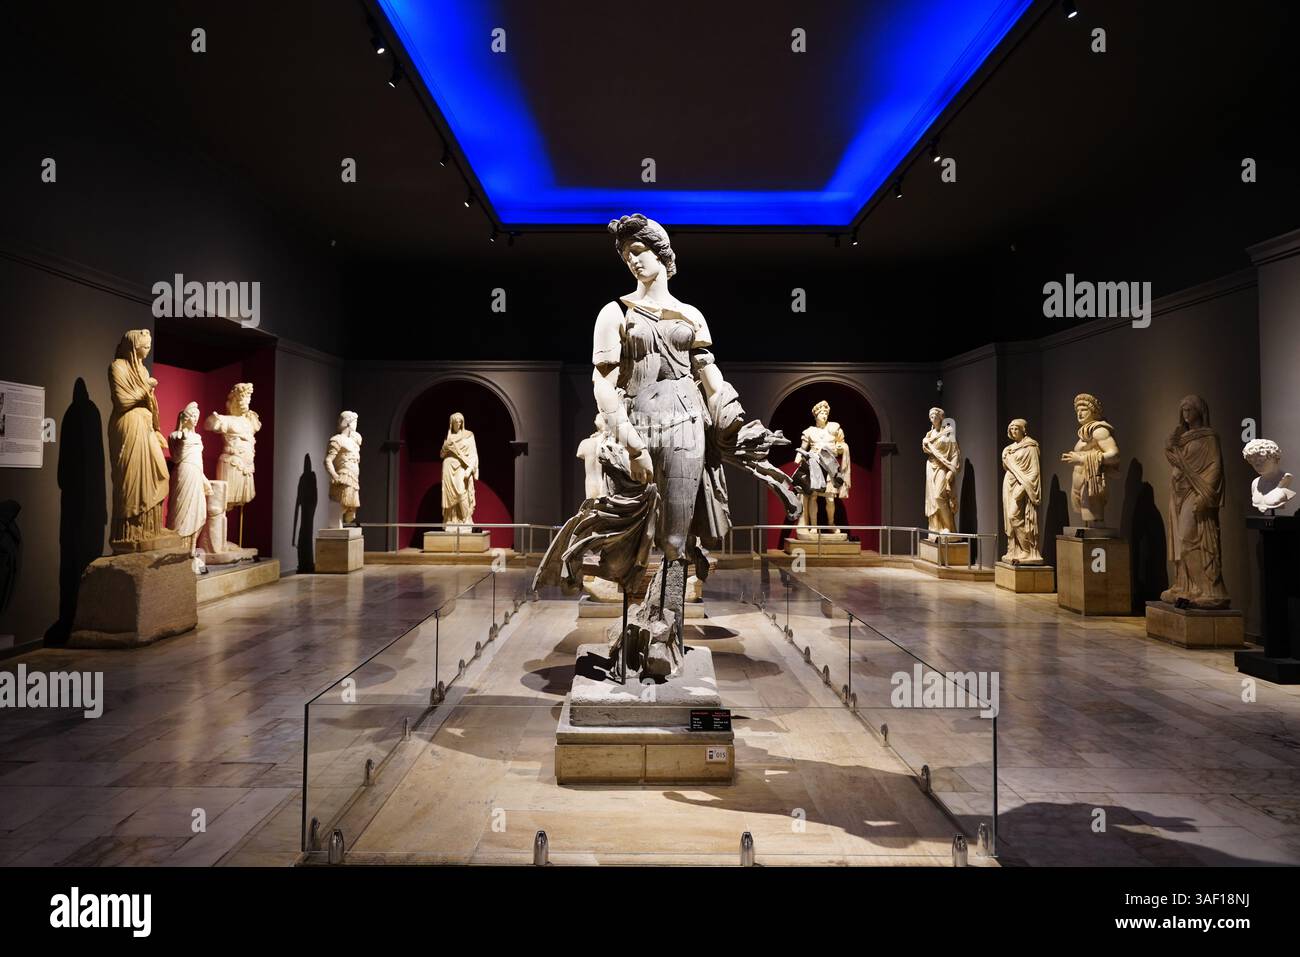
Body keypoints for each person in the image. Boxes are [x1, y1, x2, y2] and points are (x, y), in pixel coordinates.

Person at [536, 214, 800, 679]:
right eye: (626, 255)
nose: (633, 261)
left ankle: (664, 632)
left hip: (685, 424)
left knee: (676, 538)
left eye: (639, 251)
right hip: (637, 423)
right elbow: (603, 383)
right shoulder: (614, 311)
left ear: (662, 252)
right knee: (626, 535)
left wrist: (731, 414)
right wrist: (630, 441)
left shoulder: (691, 314)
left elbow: (708, 374)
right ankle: (634, 624)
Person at [1161, 395, 1229, 608]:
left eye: (1189, 409)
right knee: (1179, 542)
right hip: (1178, 493)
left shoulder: (1209, 437)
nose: (1185, 414)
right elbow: (1175, 458)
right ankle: (1186, 586)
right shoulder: (1185, 438)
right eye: (1183, 410)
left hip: (1197, 492)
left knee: (1189, 536)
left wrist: (1206, 495)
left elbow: (1215, 467)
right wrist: (1170, 443)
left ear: (1200, 410)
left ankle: (1208, 589)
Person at [107, 329, 169, 549]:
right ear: (133, 345)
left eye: (149, 347)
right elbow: (122, 401)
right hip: (128, 426)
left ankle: (149, 529)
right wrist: (147, 387)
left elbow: (151, 403)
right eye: (144, 346)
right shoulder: (118, 367)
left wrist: (157, 428)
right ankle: (129, 533)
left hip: (145, 426)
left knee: (159, 473)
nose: (148, 350)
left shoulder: (142, 369)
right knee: (131, 480)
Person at [440, 412, 478, 527]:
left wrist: (470, 469)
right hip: (448, 467)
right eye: (456, 421)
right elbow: (442, 455)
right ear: (451, 423)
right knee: (449, 495)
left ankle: (466, 519)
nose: (458, 423)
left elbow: (473, 454)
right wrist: (445, 447)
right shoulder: (448, 436)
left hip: (461, 466)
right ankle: (451, 520)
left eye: (460, 421)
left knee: (461, 491)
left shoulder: (468, 435)